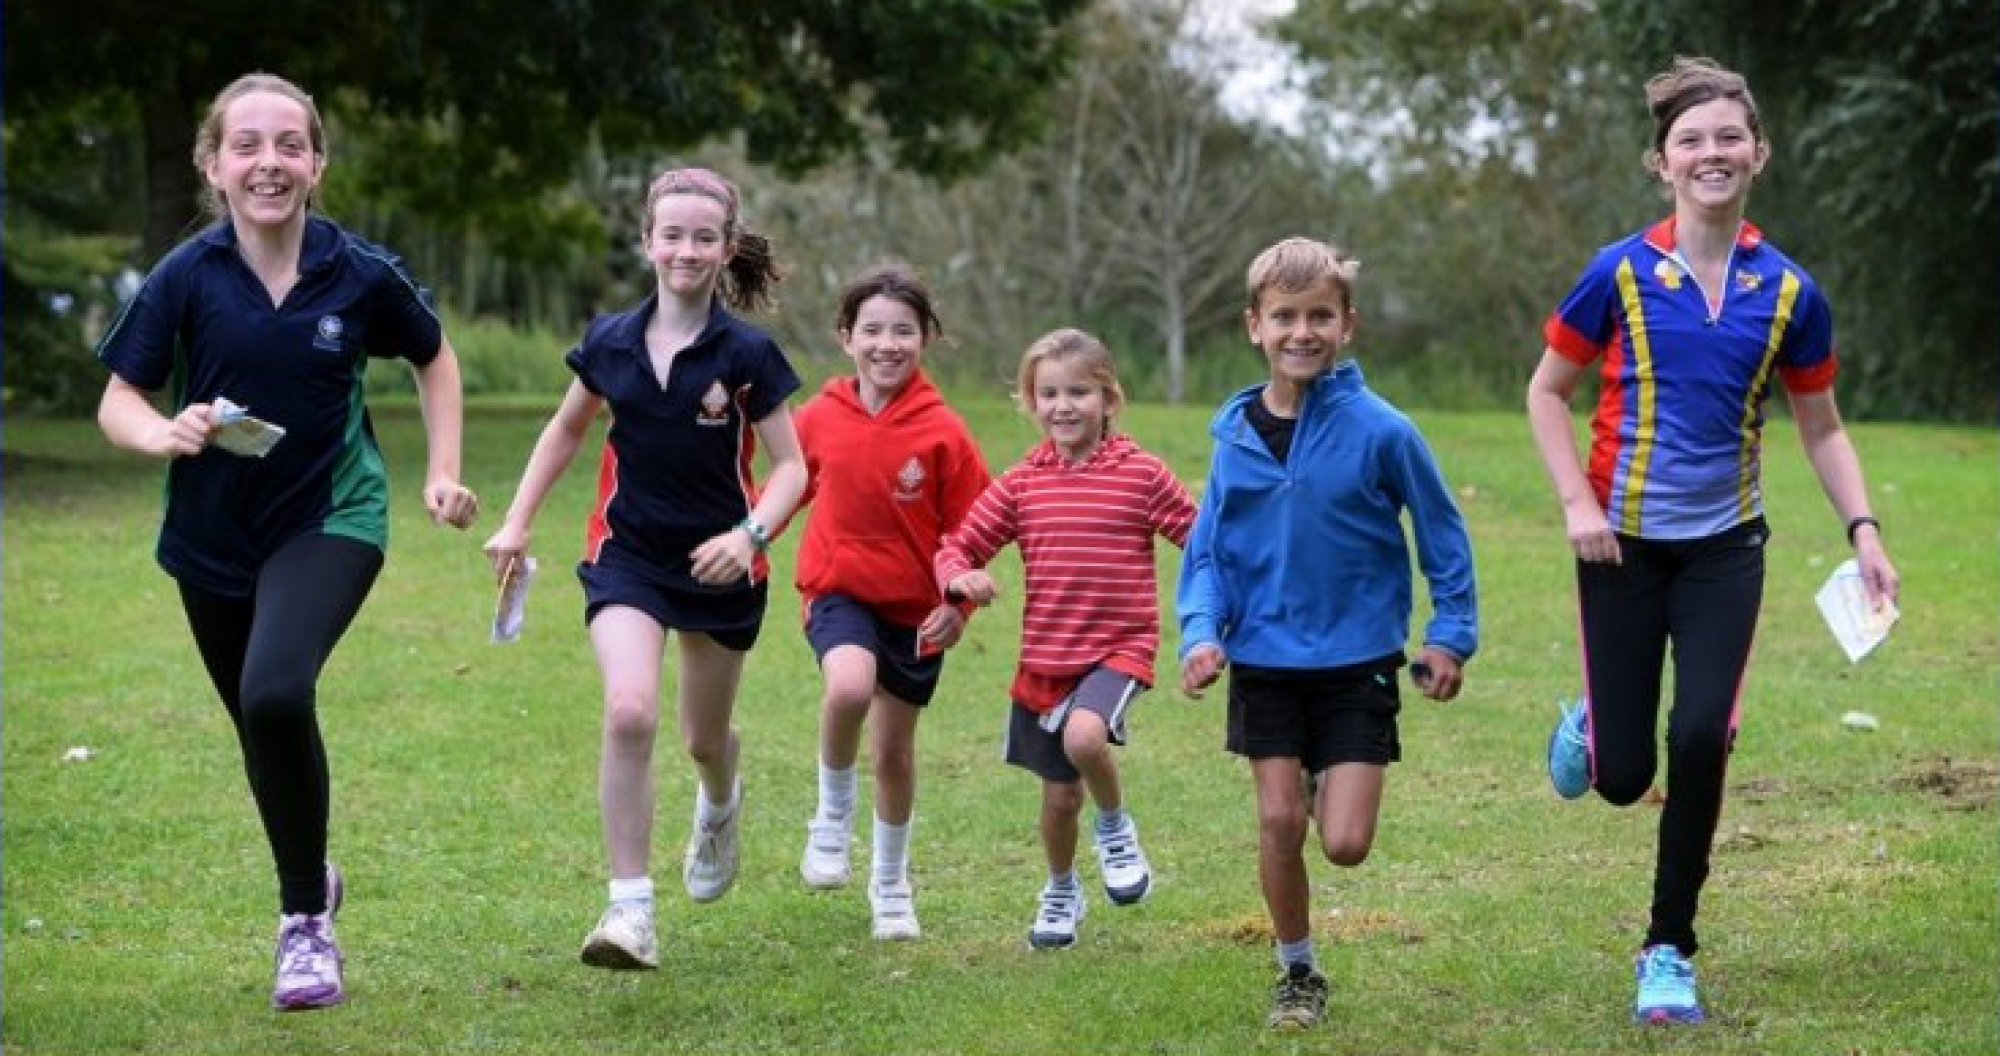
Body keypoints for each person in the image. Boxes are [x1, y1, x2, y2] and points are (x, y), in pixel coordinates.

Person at [93, 72, 479, 1011]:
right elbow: (118, 399)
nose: (269, 162)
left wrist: (441, 470)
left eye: (290, 144)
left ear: (316, 163)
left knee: (273, 690)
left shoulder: (358, 271)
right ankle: (315, 874)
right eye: (247, 145)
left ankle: (304, 924)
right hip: (210, 534)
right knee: (262, 725)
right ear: (213, 165)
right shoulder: (187, 274)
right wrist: (164, 432)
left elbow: (433, 355)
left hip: (331, 516)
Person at [1527, 56, 1900, 1027]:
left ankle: (1668, 949)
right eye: (1689, 140)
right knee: (1622, 780)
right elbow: (1546, 392)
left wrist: (1863, 530)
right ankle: (1592, 726)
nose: (1710, 152)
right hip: (1617, 547)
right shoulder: (1615, 273)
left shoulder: (1790, 293)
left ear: (1758, 154)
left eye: (1728, 136)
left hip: (1725, 550)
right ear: (1661, 163)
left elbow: (1822, 428)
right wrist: (1575, 505)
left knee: (1699, 737)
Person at [481, 166, 807, 971]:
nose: (686, 251)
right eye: (672, 235)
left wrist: (750, 537)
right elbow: (566, 430)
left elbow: (793, 468)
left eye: (704, 238)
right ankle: (630, 909)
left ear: (725, 248)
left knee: (703, 739)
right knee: (629, 710)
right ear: (647, 242)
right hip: (626, 554)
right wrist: (517, 520)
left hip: (723, 565)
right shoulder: (610, 342)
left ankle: (720, 801)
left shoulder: (747, 353)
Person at [1177, 237, 1478, 1031]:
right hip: (1263, 658)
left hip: (1357, 660)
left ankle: (1321, 779)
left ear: (1348, 324)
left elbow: (1442, 532)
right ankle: (1297, 970)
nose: (1301, 332)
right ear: (1255, 325)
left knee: (1344, 843)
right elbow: (1207, 551)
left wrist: (1450, 633)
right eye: (1284, 317)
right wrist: (1200, 633)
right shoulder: (1234, 437)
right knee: (1280, 823)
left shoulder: (1385, 431)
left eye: (1319, 316)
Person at [936, 327, 1198, 951]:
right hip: (1047, 657)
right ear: (1032, 402)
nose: (1063, 406)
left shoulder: (1142, 475)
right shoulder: (1022, 483)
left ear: (1109, 399)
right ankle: (1061, 888)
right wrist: (960, 579)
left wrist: (1225, 610)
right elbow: (959, 545)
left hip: (1119, 649)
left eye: (1079, 392)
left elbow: (1202, 542)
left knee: (1085, 737)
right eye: (1048, 393)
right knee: (1058, 800)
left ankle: (1116, 828)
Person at [787, 266, 992, 940]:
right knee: (849, 687)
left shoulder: (944, 431)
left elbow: (974, 531)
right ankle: (830, 819)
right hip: (838, 591)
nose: (887, 344)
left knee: (894, 753)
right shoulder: (817, 418)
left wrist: (959, 608)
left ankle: (891, 884)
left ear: (925, 339)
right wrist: (742, 546)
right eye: (871, 330)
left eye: (903, 330)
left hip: (915, 611)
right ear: (845, 337)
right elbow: (781, 492)